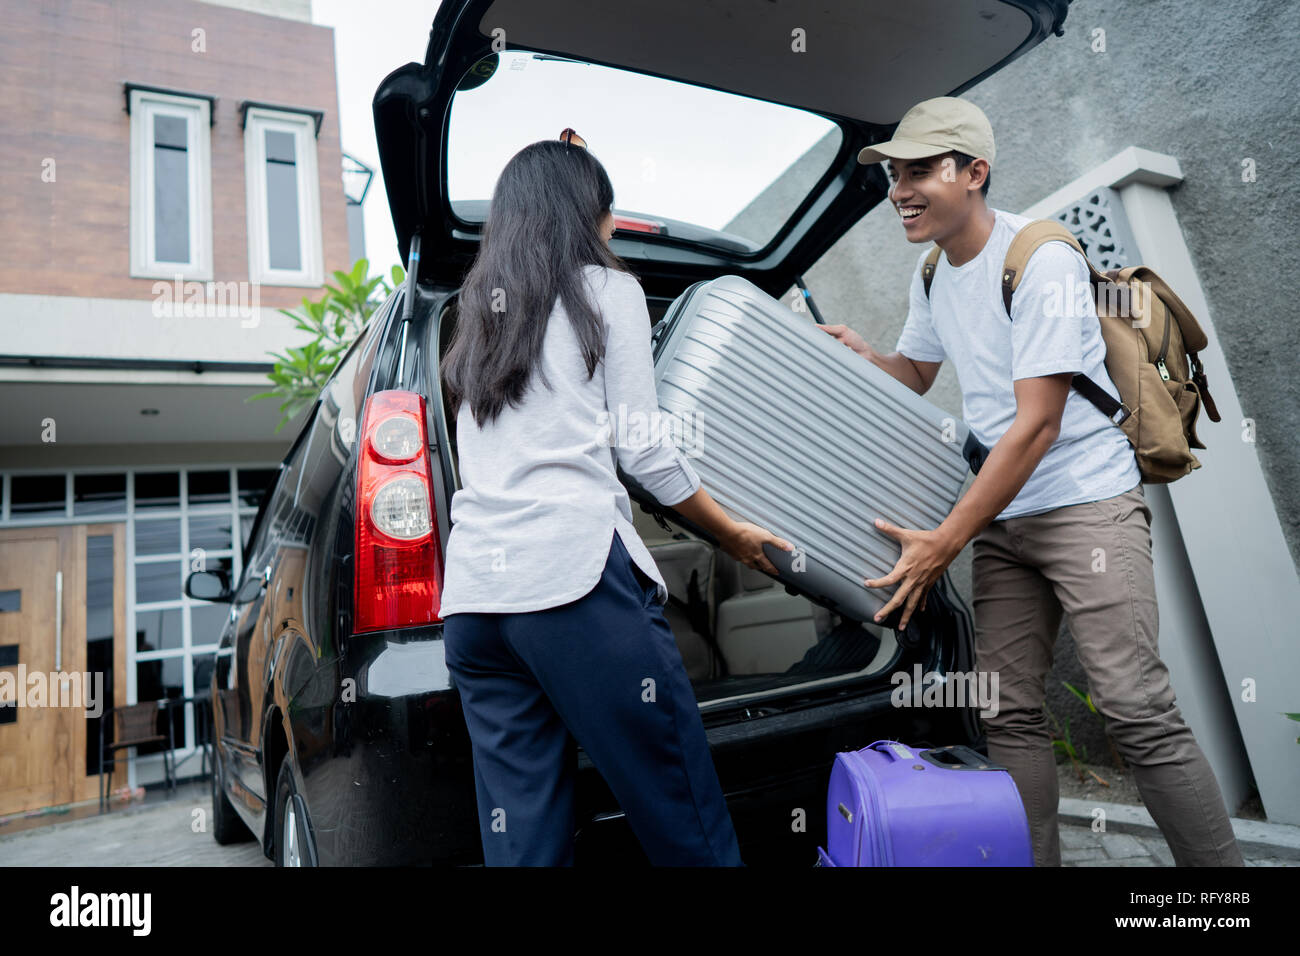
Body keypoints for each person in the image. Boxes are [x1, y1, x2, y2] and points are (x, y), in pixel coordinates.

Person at [819, 97, 1243, 867]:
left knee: (1136, 710)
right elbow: (915, 374)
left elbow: (1037, 423)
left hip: (1084, 504)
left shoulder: (1040, 258)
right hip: (1006, 515)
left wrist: (946, 540)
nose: (899, 191)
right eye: (893, 175)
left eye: (919, 171)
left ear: (974, 172)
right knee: (1007, 710)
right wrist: (863, 355)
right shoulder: (931, 271)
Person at [437, 129, 794, 866]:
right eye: (607, 210)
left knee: (525, 848)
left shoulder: (477, 315)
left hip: (475, 607)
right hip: (570, 587)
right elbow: (645, 452)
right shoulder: (608, 290)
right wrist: (732, 535)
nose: (613, 227)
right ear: (585, 214)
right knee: (685, 823)